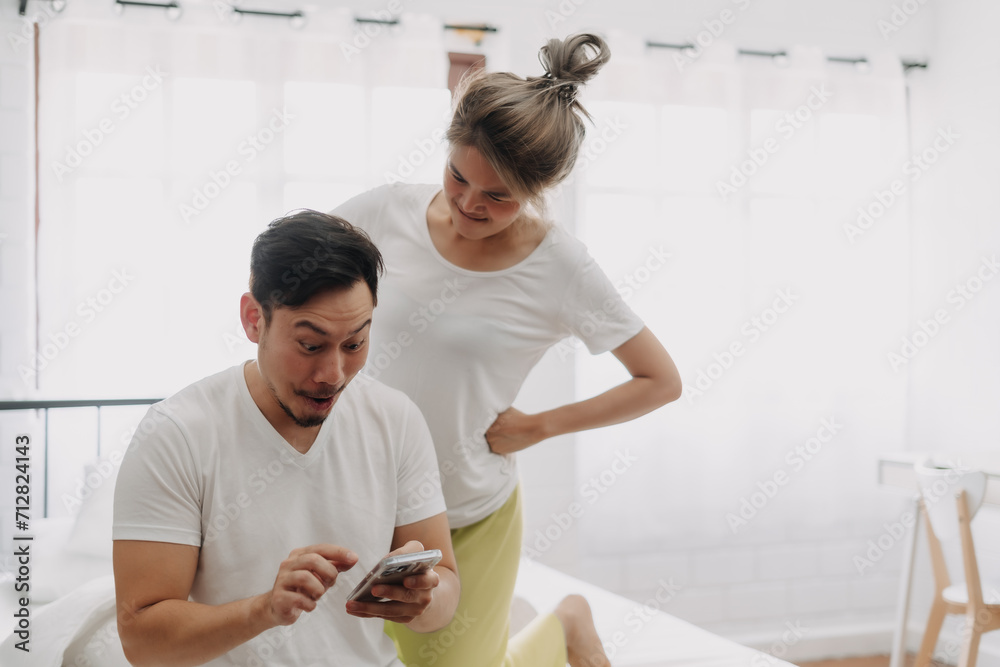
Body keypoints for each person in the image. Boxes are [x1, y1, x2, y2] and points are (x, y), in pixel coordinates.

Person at [330, 33, 682, 667]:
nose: (469, 204)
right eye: (459, 176)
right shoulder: (384, 213)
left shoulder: (561, 267)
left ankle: (566, 625)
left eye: (497, 197)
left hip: (468, 509)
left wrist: (539, 426)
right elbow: (291, 283)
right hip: (358, 497)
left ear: (541, 188)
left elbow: (660, 380)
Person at [111, 211, 460, 666]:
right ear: (254, 319)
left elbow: (447, 592)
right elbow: (142, 642)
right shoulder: (177, 434)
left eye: (354, 344)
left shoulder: (396, 419)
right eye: (311, 346)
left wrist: (425, 598)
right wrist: (264, 610)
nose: (333, 375)